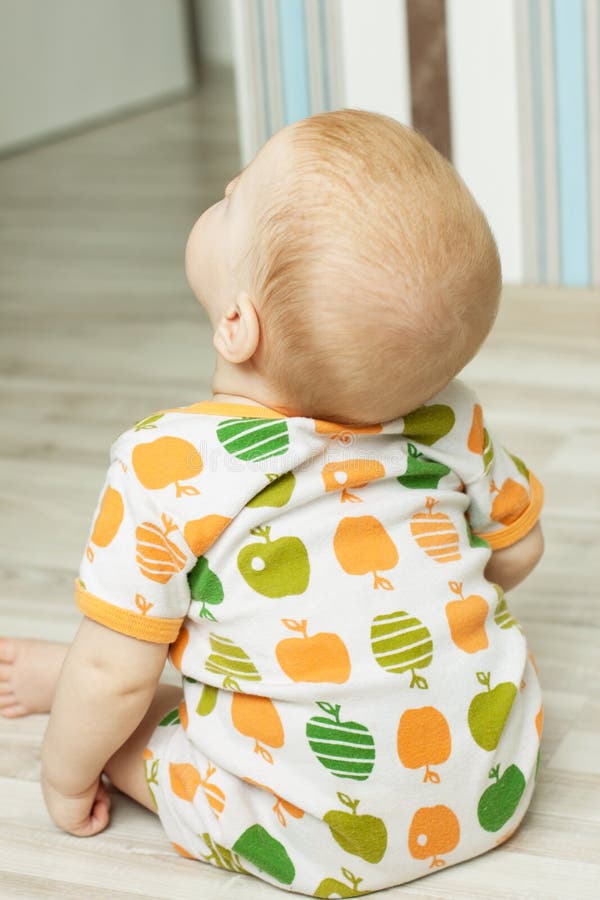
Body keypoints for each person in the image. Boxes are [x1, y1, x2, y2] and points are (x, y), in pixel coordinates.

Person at [0, 110, 544, 894]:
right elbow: (520, 549)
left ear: (236, 326)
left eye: (232, 198)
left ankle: (83, 704)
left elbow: (113, 673)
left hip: (312, 839)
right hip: (493, 788)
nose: (223, 189)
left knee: (125, 719)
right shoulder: (450, 416)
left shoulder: (167, 464)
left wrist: (62, 779)